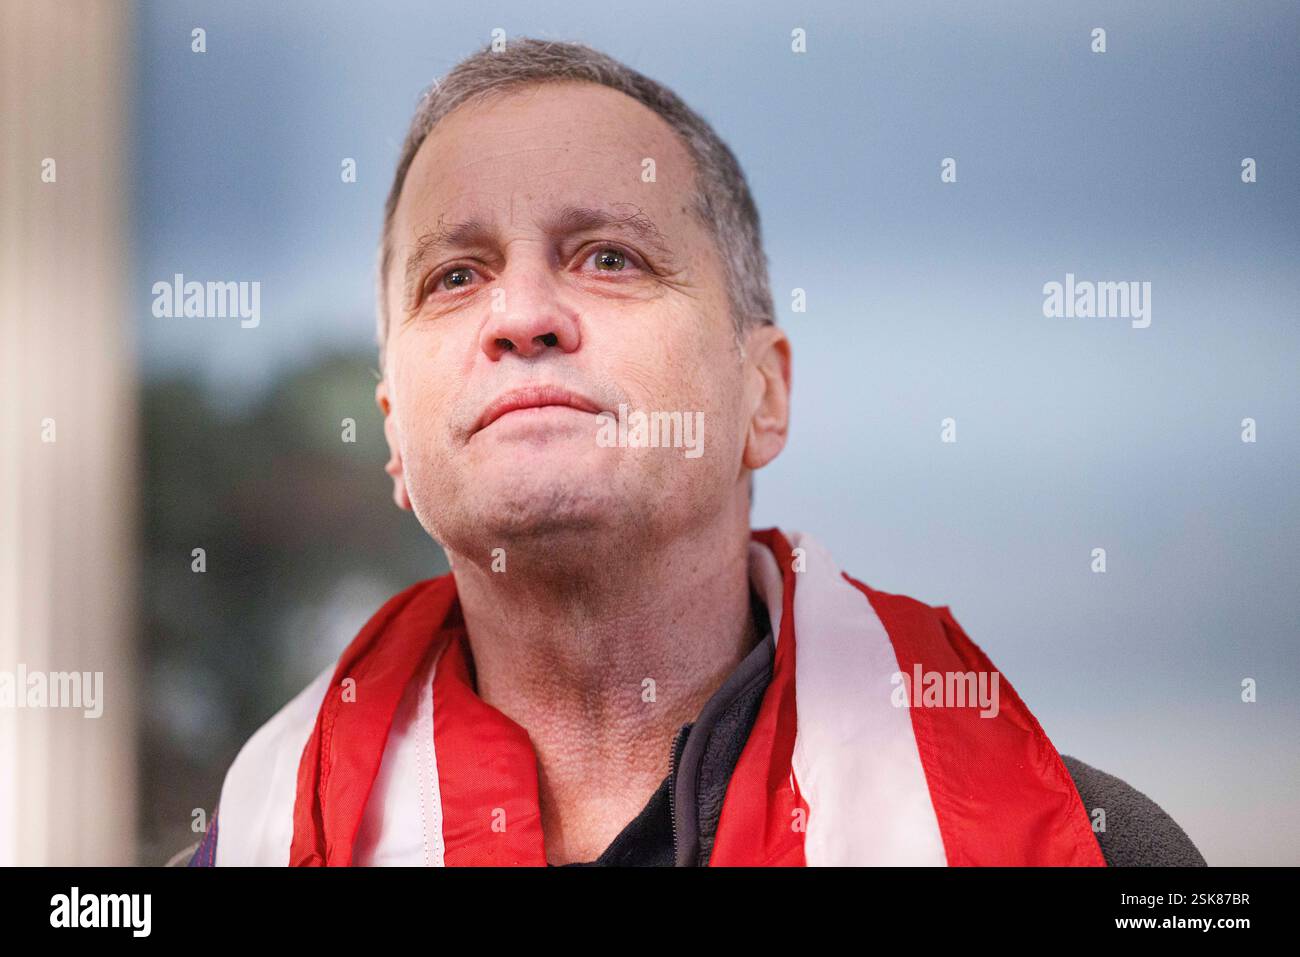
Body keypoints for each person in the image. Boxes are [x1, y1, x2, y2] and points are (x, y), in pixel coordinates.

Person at [180, 38, 1203, 867]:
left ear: (763, 393)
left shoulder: (1102, 854)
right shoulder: (249, 852)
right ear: (396, 433)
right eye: (455, 276)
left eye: (609, 257)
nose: (522, 313)